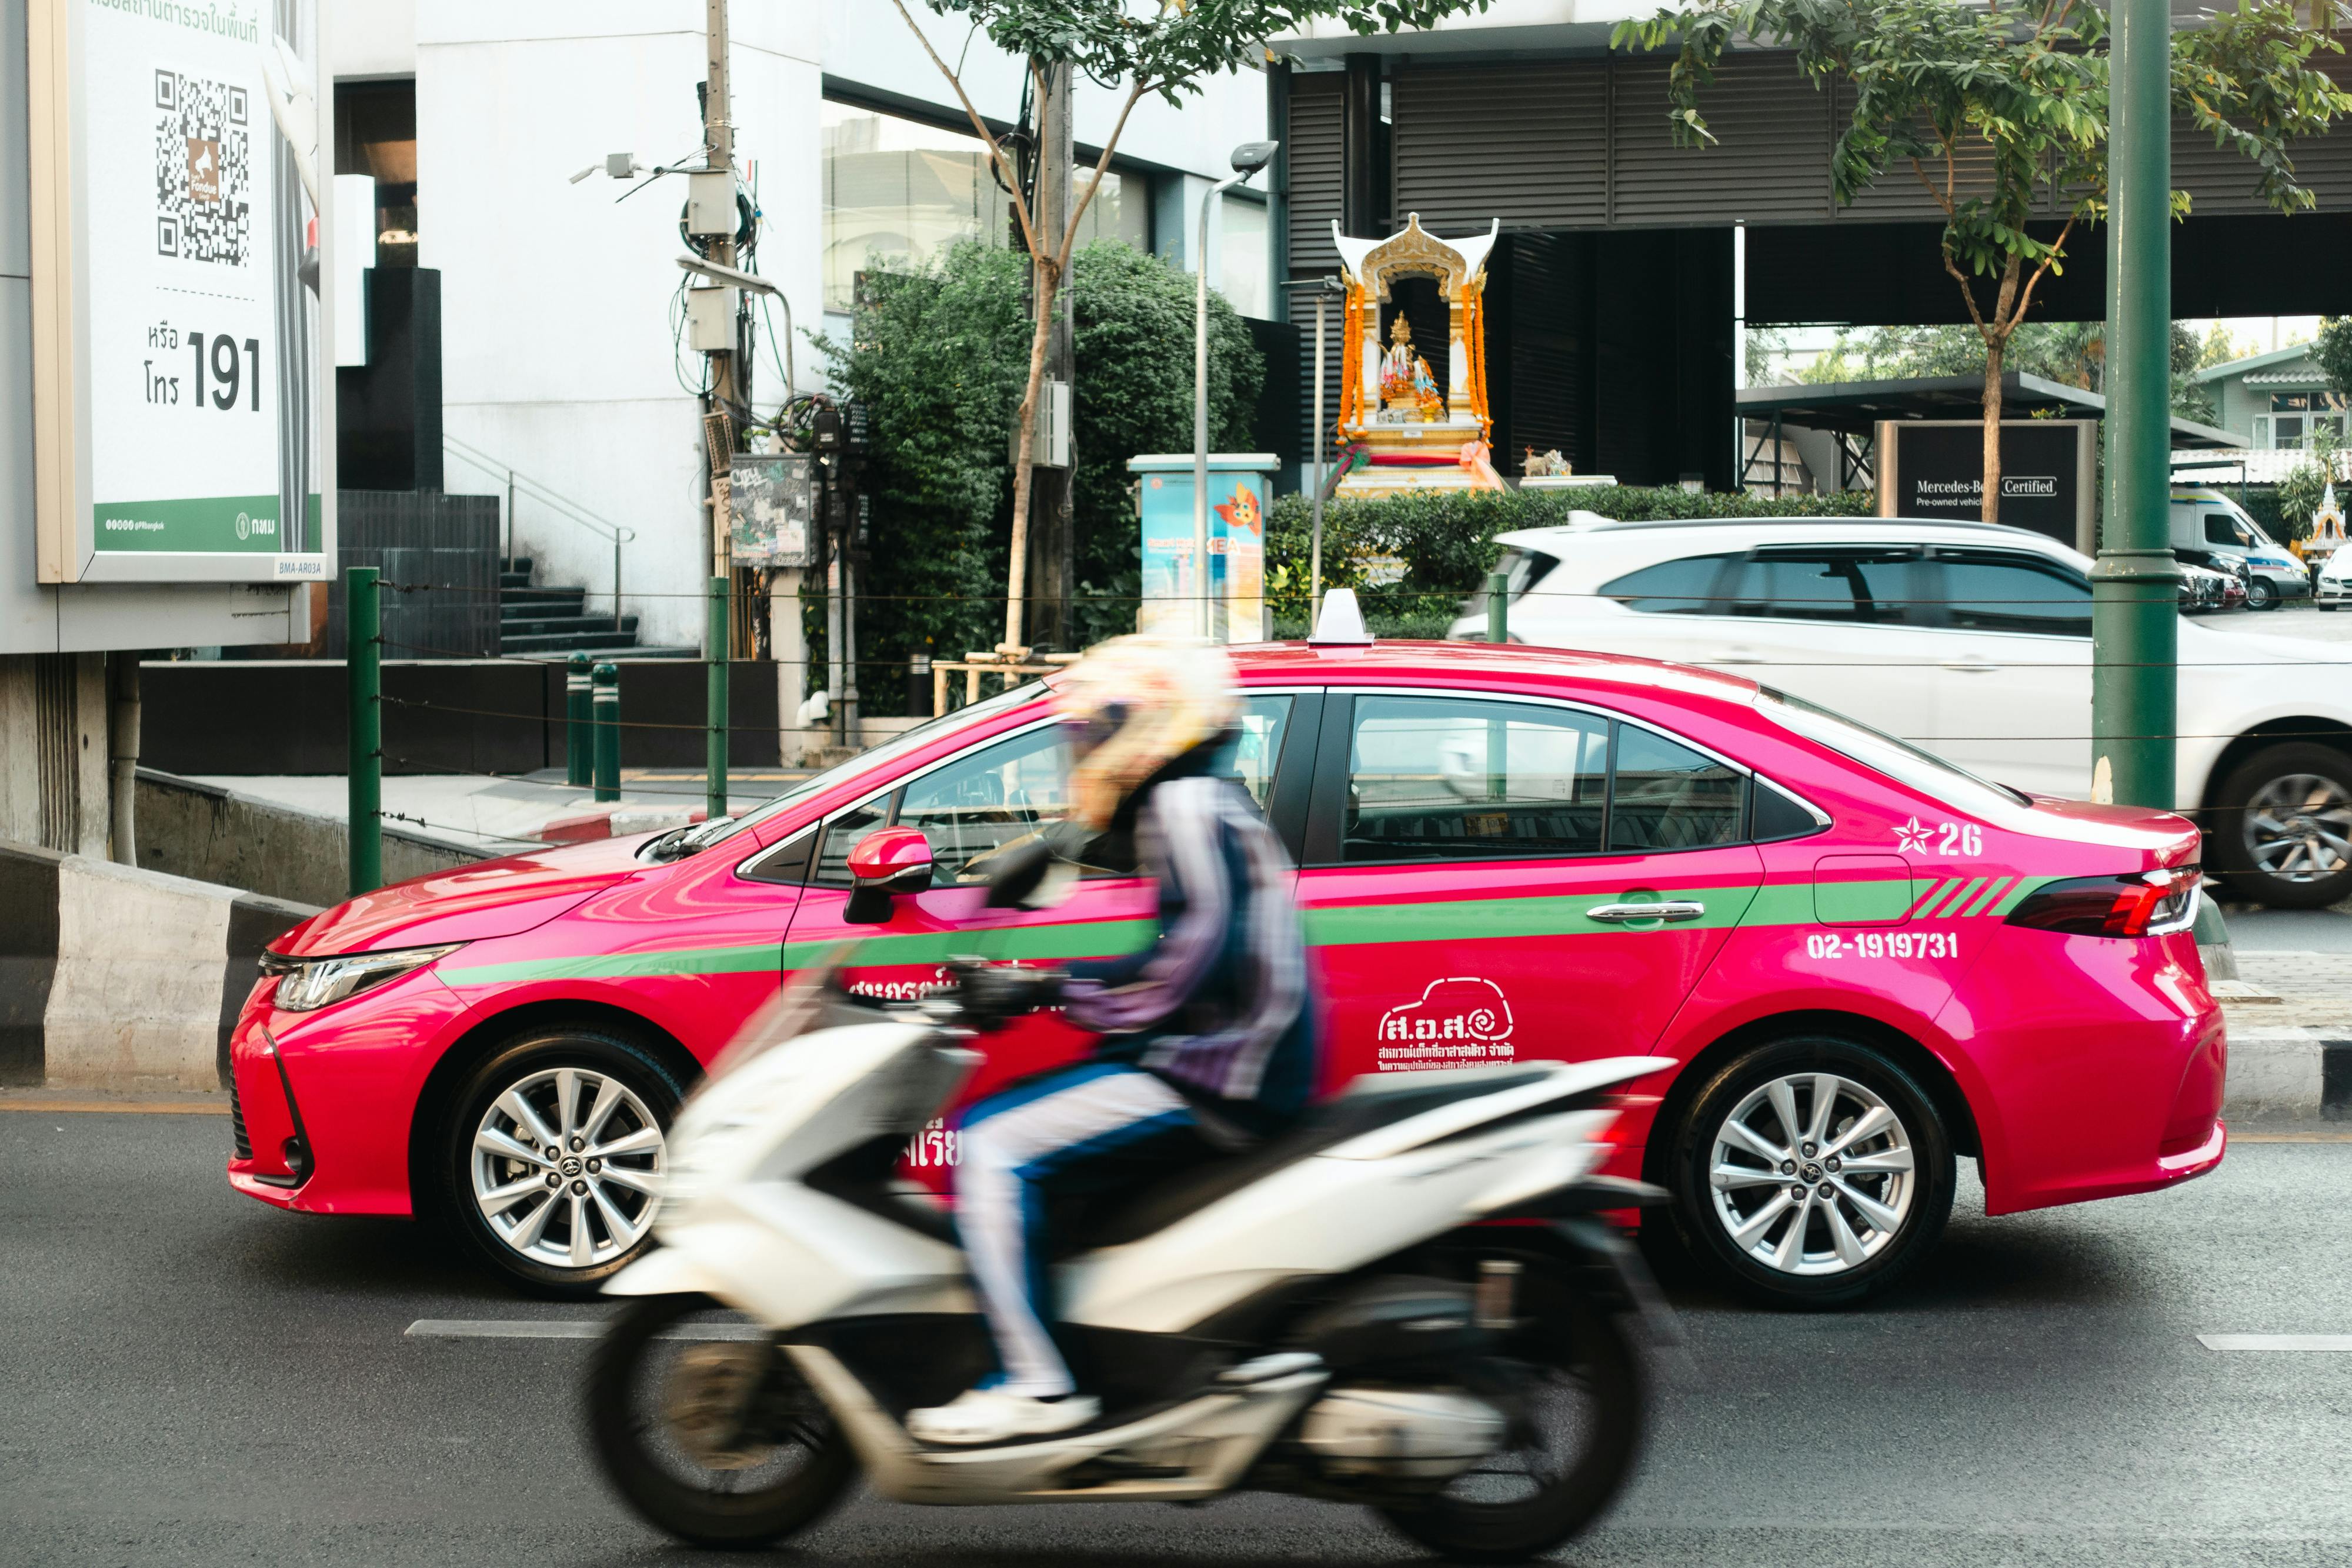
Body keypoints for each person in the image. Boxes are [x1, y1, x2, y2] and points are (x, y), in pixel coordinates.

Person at [905, 638, 1318, 1447]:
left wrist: (1047, 987)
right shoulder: (1200, 801)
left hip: (1219, 1069)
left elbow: (1187, 970)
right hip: (1224, 1053)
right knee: (1045, 1110)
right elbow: (1160, 935)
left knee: (989, 1145)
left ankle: (1036, 1383)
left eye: (1096, 731)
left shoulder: (1187, 809)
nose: (1085, 750)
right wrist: (1030, 901)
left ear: (1148, 729)